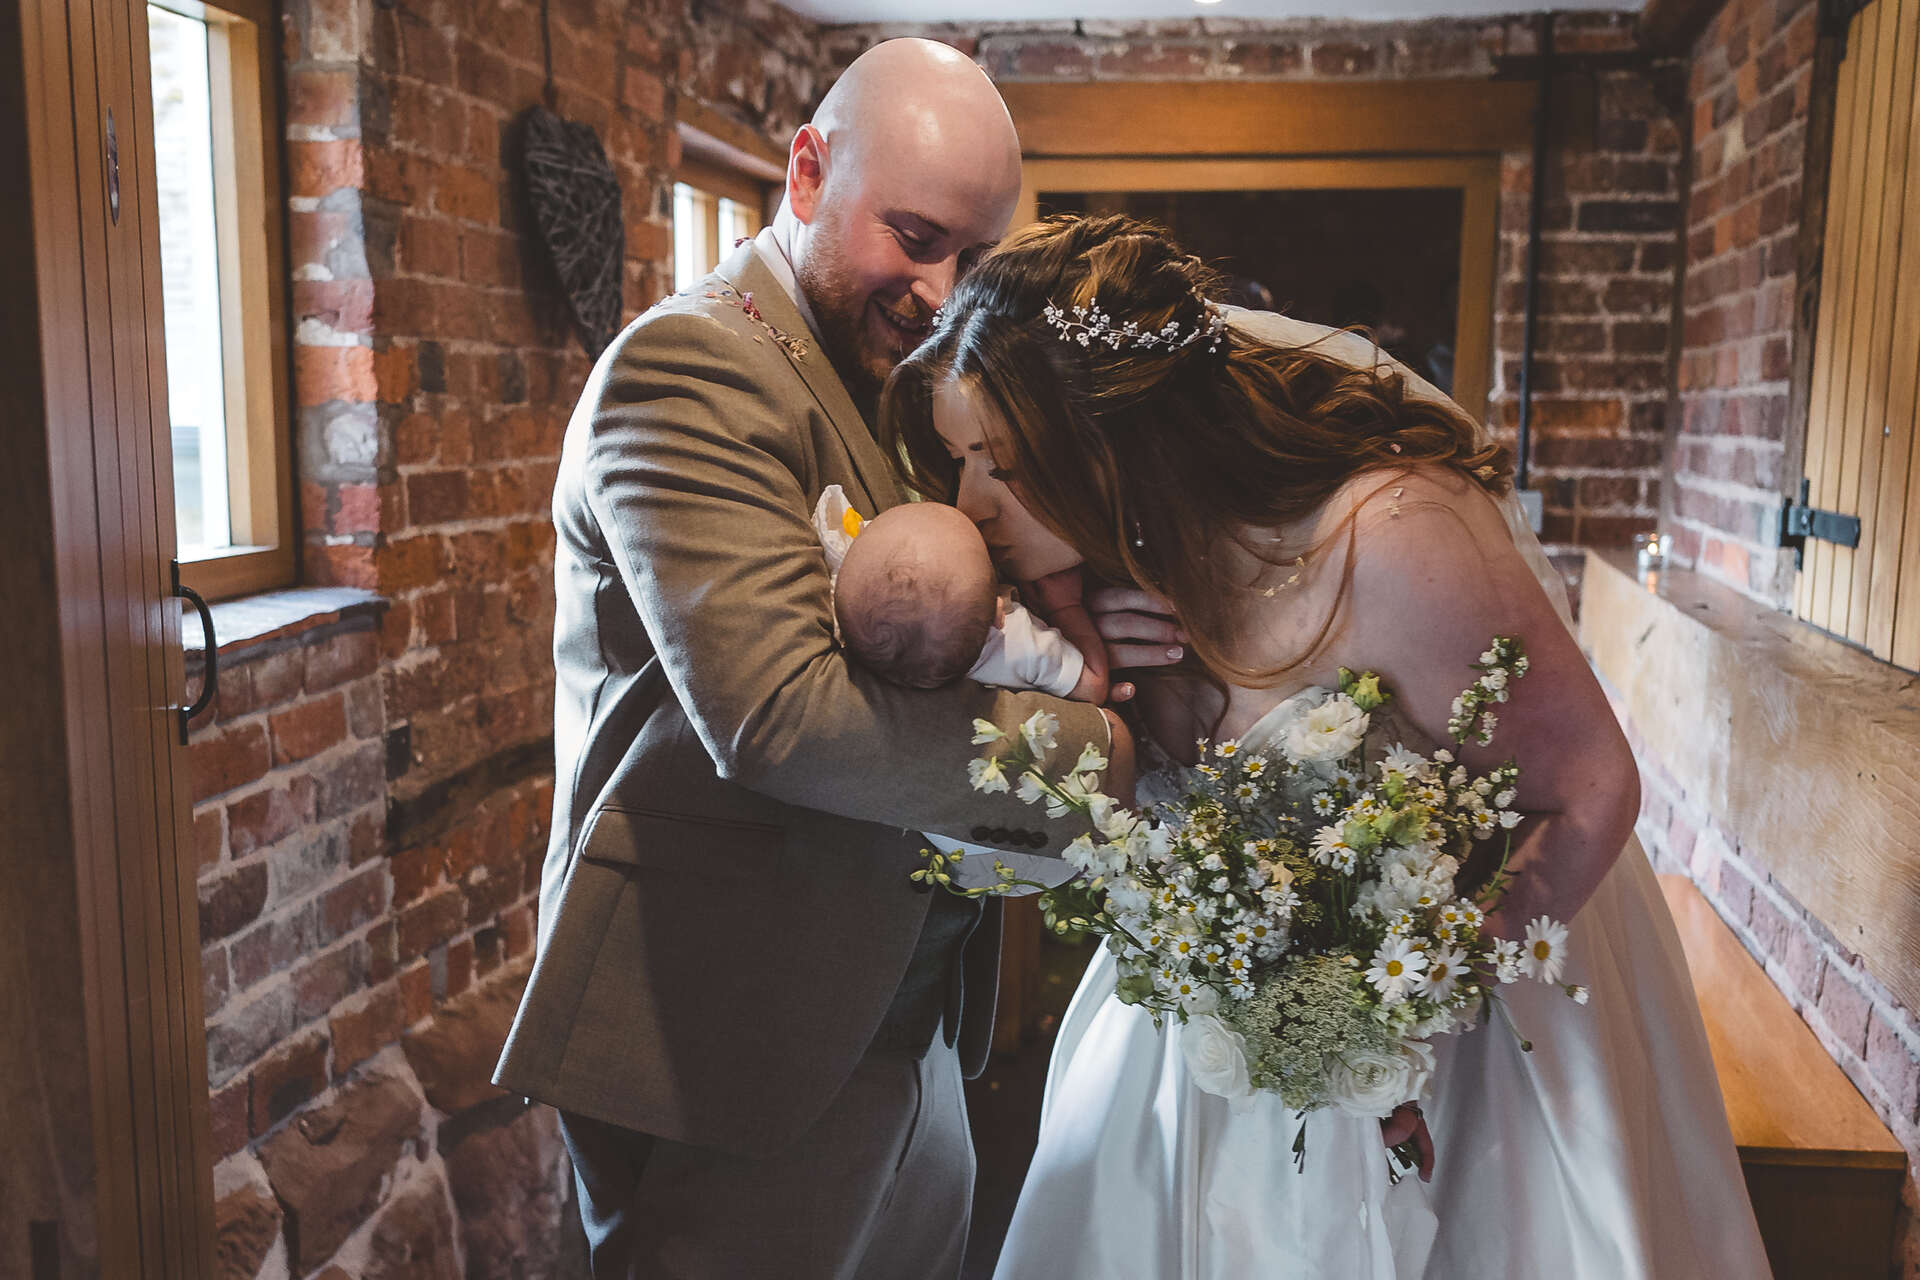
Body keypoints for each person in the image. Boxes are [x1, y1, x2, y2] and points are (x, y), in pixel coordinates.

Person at [879, 214, 1772, 1279]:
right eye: (962, 457)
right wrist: (1090, 658)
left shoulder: (1387, 538)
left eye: (1004, 461)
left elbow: (1589, 789)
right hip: (1210, 1032)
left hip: (1472, 1018)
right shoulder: (1094, 573)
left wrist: (1388, 1020)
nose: (970, 501)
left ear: (1110, 441)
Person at [493, 44, 1134, 1280]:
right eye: (915, 234)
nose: (945, 290)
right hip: (731, 1031)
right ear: (804, 171)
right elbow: (784, 716)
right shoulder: (687, 370)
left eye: (977, 257)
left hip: (901, 1021)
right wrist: (1100, 755)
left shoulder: (894, 376)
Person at [812, 488, 1104, 894]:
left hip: (957, 836)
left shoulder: (864, 658)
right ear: (997, 610)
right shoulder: (1017, 641)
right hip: (1046, 837)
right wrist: (1066, 608)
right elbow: (1094, 685)